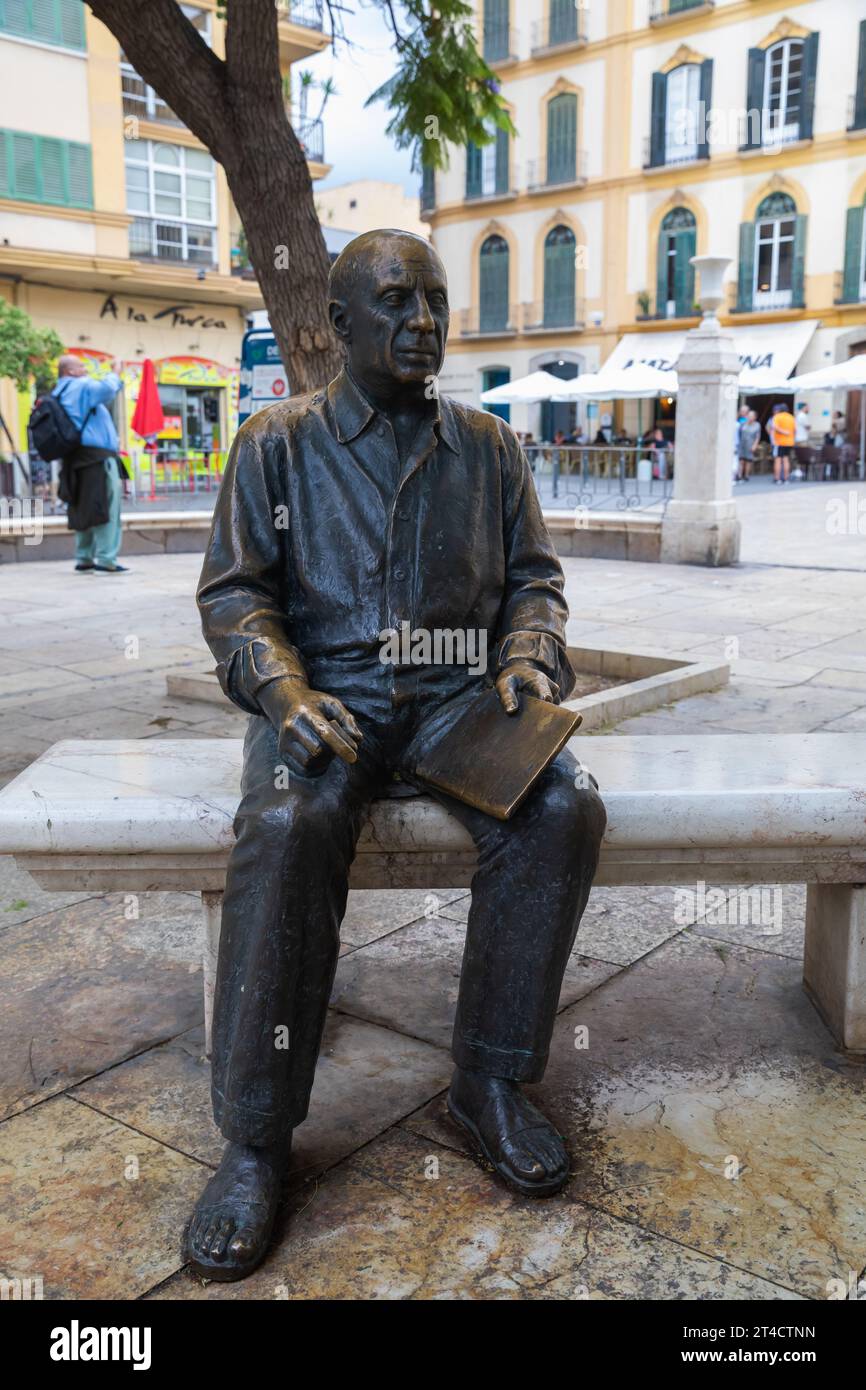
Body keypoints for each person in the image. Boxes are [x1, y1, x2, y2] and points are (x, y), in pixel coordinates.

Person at [188, 230, 607, 1281]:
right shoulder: (276, 442)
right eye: (394, 302)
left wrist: (527, 655)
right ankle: (254, 1137)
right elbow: (236, 596)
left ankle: (488, 1081)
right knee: (287, 822)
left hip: (458, 697)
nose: (422, 322)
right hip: (327, 695)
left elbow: (535, 581)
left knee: (561, 805)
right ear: (340, 324)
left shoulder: (490, 447)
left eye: (434, 301)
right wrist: (281, 691)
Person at [54, 355, 128, 572]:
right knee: (106, 507)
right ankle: (106, 560)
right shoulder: (80, 386)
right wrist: (115, 371)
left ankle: (84, 557)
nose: (85, 369)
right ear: (70, 371)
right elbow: (107, 389)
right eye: (81, 366)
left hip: (75, 459)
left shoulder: (58, 392)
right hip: (98, 458)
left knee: (82, 506)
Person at [768, 402, 795, 484]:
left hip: (779, 442)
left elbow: (774, 427)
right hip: (789, 442)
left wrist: (783, 432)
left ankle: (777, 478)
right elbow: (794, 429)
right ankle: (786, 479)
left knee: (778, 460)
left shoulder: (777, 417)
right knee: (786, 459)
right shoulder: (791, 417)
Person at [737, 409, 761, 483]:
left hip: (750, 443)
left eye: (751, 416)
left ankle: (746, 475)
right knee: (741, 460)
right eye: (749, 415)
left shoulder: (757, 425)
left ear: (755, 417)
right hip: (742, 444)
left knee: (748, 460)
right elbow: (738, 433)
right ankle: (739, 475)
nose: (750, 417)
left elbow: (757, 436)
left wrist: (755, 445)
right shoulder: (743, 423)